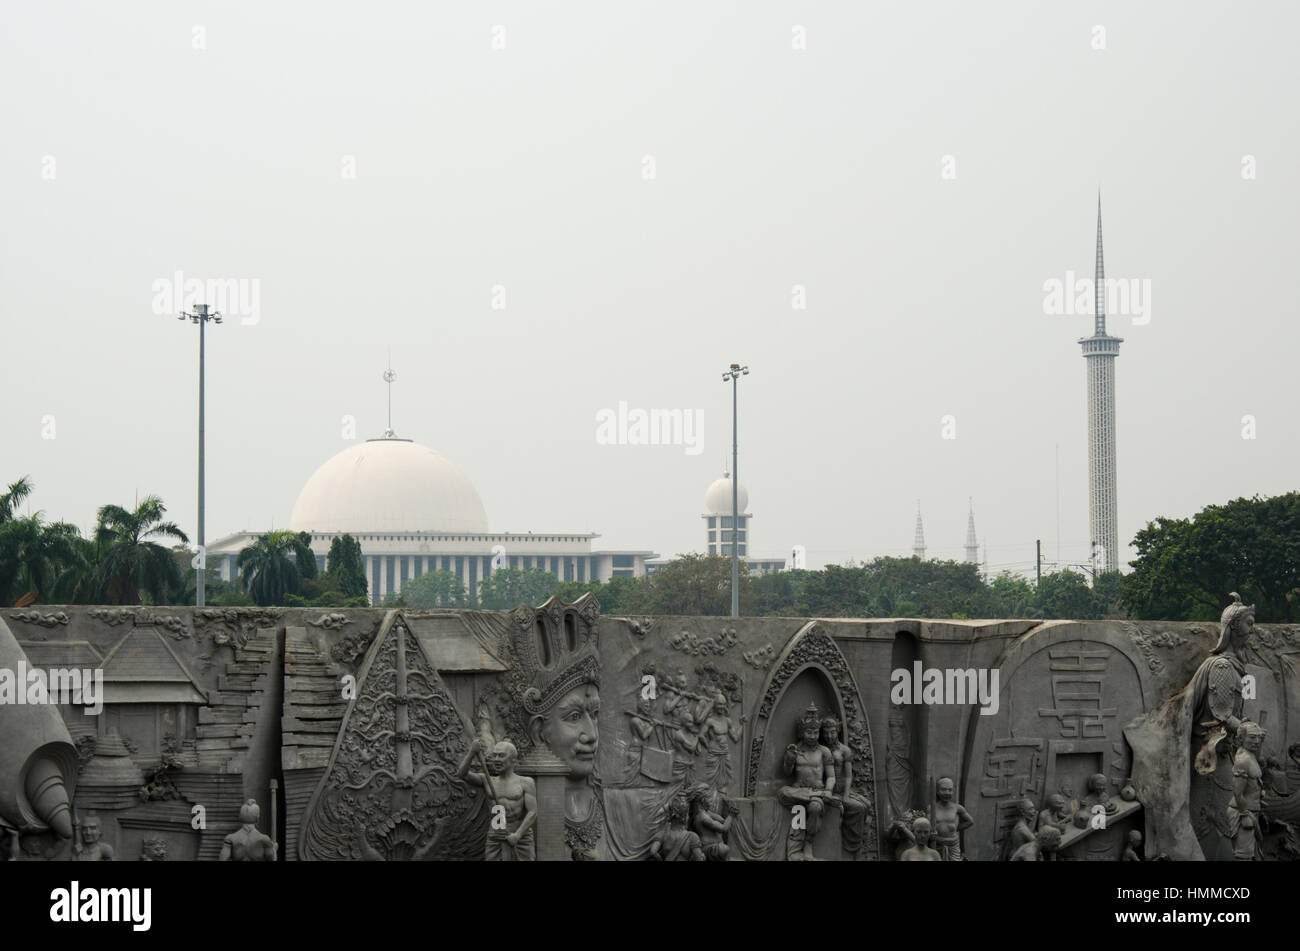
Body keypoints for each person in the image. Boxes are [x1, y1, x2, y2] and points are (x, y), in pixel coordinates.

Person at [457, 738, 537, 861]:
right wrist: (472, 752)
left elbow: (533, 812)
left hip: (520, 836)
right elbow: (462, 774)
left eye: (501, 756)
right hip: (496, 833)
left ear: (513, 760)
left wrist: (517, 835)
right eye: (494, 755)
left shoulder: (525, 782)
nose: (496, 760)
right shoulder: (488, 780)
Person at [779, 705, 835, 861]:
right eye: (809, 732)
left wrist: (829, 790)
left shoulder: (824, 751)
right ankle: (812, 795)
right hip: (799, 791)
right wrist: (790, 758)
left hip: (817, 794)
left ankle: (808, 844)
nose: (812, 736)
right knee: (783, 792)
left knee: (815, 806)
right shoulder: (795, 749)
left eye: (816, 732)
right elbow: (787, 772)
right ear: (802, 732)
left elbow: (831, 776)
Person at [820, 716, 868, 856]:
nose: (829, 736)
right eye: (826, 732)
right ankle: (850, 846)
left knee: (866, 805)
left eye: (833, 732)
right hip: (829, 791)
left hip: (843, 791)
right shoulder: (821, 750)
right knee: (858, 808)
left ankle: (857, 843)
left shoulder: (844, 750)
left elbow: (848, 775)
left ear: (838, 731)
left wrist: (846, 795)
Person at [932, 777, 973, 861]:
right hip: (937, 845)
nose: (947, 793)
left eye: (950, 790)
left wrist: (955, 828)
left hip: (953, 845)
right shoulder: (932, 808)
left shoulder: (957, 808)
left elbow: (970, 821)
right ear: (937, 791)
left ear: (953, 791)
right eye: (943, 789)